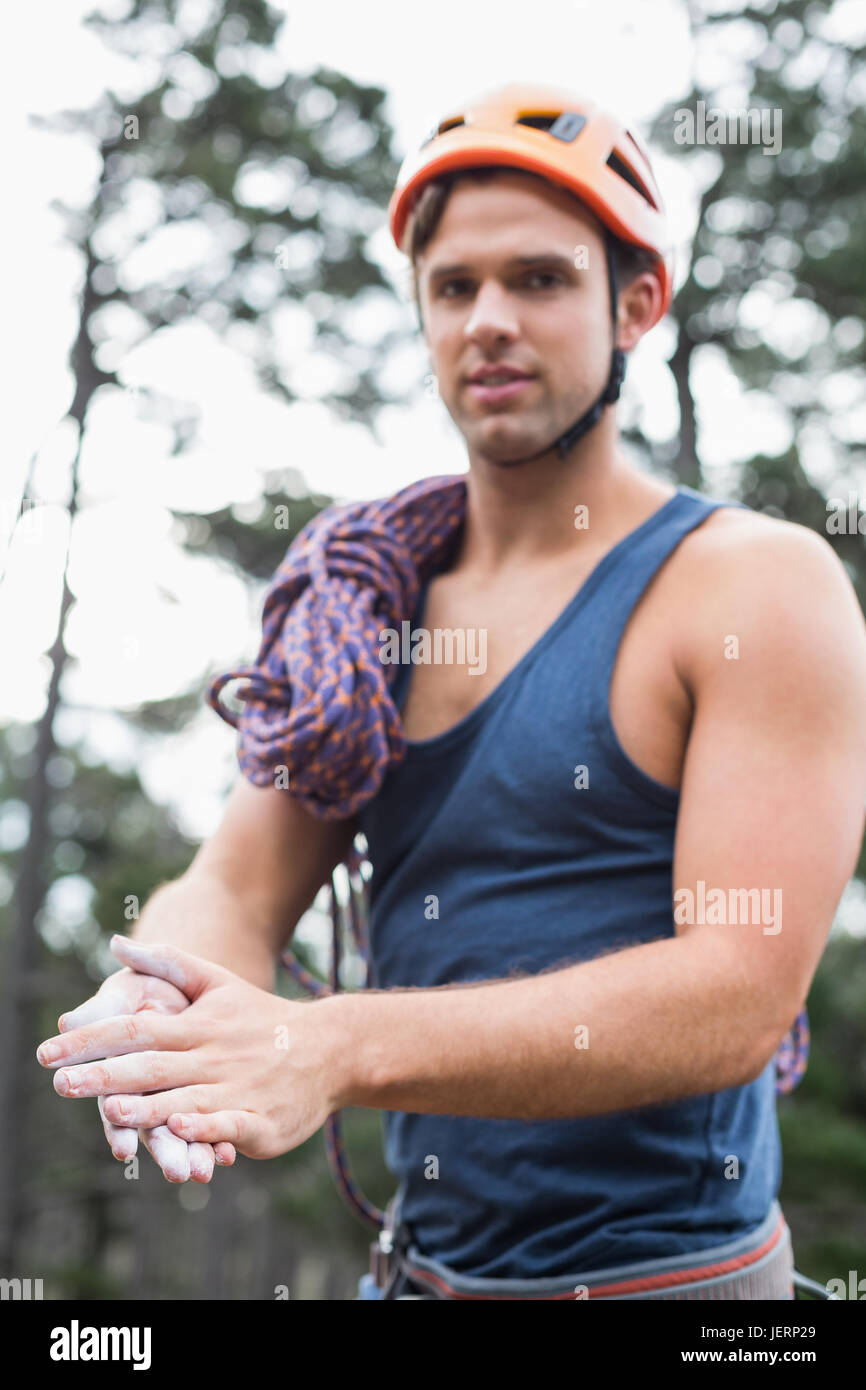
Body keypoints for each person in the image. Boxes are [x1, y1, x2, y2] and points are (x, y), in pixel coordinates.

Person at [37, 83, 866, 1299]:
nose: (488, 320)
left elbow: (735, 991)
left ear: (636, 303)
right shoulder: (365, 606)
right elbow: (234, 881)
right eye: (453, 286)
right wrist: (158, 1000)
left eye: (538, 280)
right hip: (419, 1277)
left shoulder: (751, 586)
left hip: (676, 1287)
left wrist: (328, 1044)